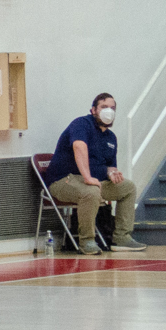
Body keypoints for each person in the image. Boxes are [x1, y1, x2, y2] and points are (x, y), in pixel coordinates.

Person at [41, 92, 144, 253]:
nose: (108, 111)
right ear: (93, 110)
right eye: (104, 107)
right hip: (63, 181)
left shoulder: (111, 138)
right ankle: (87, 241)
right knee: (90, 191)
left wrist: (112, 173)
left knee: (128, 188)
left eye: (112, 108)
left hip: (94, 182)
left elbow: (110, 167)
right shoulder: (81, 124)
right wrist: (88, 177)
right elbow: (79, 147)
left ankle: (122, 238)